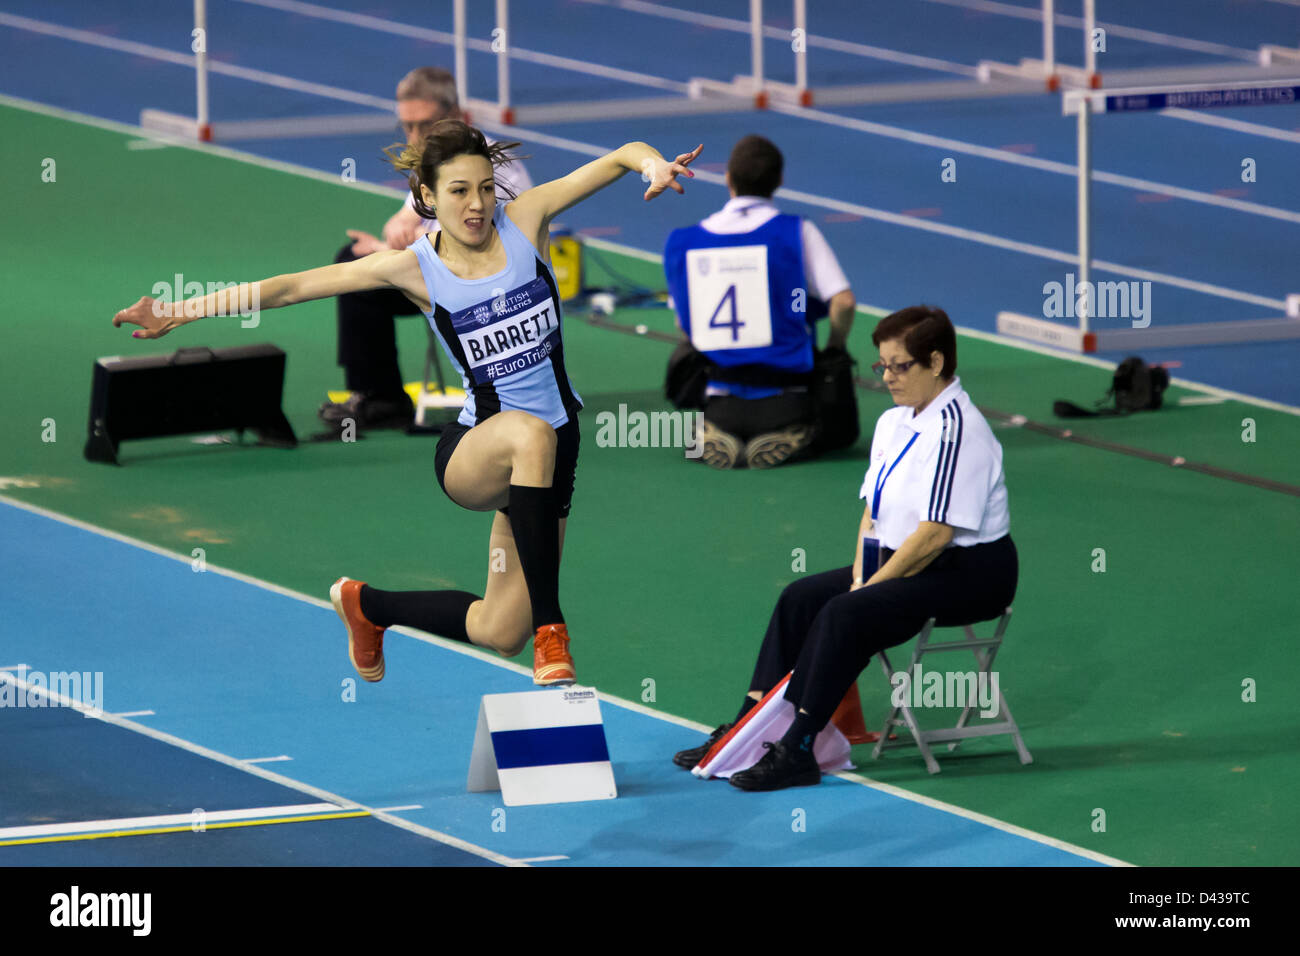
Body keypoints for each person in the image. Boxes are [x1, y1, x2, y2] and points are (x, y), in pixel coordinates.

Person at [113, 119, 702, 687]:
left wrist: (651, 163)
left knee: (501, 631)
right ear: (426, 195)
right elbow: (292, 287)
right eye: (459, 191)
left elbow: (623, 153)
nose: (477, 205)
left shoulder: (526, 221)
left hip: (552, 457)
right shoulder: (415, 268)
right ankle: (554, 630)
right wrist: (182, 309)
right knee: (530, 435)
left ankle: (368, 606)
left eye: (486, 189)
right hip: (478, 452)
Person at [672, 306, 1018, 789]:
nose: (888, 377)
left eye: (900, 366)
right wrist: (860, 573)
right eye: (882, 366)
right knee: (800, 598)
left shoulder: (959, 431)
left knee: (845, 612)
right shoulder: (895, 422)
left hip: (970, 573)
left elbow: (937, 533)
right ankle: (747, 726)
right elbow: (871, 512)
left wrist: (868, 590)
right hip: (907, 558)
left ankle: (798, 747)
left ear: (936, 363)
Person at [320, 66, 533, 430]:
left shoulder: (490, 165)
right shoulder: (433, 161)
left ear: (457, 117)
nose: (414, 136)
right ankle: (379, 396)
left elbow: (473, 244)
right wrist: (389, 239)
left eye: (425, 124)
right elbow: (406, 219)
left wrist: (395, 249)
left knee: (368, 267)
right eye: (407, 126)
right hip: (438, 274)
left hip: (488, 286)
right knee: (354, 262)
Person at [662, 134, 856, 469]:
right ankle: (792, 432)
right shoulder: (796, 232)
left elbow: (684, 322)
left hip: (719, 395)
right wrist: (835, 348)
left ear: (728, 178)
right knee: (832, 418)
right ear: (779, 180)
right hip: (788, 397)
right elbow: (844, 302)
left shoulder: (683, 242)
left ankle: (716, 431)